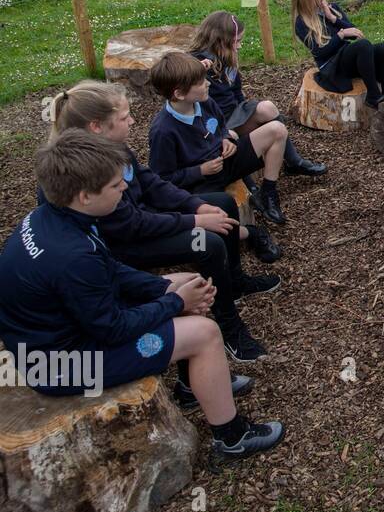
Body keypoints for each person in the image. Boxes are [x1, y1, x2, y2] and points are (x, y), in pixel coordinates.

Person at [0, 130, 284, 459]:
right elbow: (112, 329)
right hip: (66, 364)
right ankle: (232, 438)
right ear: (84, 196)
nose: (124, 188)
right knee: (205, 332)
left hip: (68, 328)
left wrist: (166, 289)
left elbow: (111, 270)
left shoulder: (52, 216)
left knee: (185, 281)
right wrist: (176, 302)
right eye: (114, 185)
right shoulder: (73, 258)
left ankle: (192, 386)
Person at [47, 80, 276, 362]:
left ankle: (235, 282)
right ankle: (230, 327)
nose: (132, 120)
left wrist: (197, 205)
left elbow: (150, 182)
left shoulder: (113, 146)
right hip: (122, 245)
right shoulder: (85, 171)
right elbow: (131, 225)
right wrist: (193, 222)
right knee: (208, 244)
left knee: (223, 202)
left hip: (143, 218)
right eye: (123, 117)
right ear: (96, 126)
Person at [146, 52, 288, 224]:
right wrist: (200, 170)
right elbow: (162, 179)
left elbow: (221, 127)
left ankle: (268, 193)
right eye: (200, 82)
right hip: (200, 183)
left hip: (225, 162)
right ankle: (252, 234)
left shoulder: (204, 102)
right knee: (221, 210)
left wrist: (226, 139)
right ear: (179, 94)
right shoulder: (163, 131)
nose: (207, 83)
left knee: (277, 130)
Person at [190, 10, 325, 177]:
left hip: (233, 115)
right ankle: (267, 172)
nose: (239, 46)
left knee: (267, 110)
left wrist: (248, 113)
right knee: (266, 118)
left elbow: (236, 93)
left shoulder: (227, 56)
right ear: (220, 39)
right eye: (236, 41)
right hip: (214, 123)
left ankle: (292, 161)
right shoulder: (198, 64)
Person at [290, 0, 384, 109]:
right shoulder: (302, 22)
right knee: (362, 46)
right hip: (333, 68)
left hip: (347, 59)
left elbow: (353, 32)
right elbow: (320, 52)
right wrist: (340, 35)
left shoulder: (332, 9)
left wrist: (333, 18)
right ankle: (373, 96)